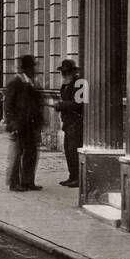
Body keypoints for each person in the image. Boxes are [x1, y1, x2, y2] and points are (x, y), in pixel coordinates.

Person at [4, 54, 45, 192]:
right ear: (25, 69)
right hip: (19, 125)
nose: (34, 70)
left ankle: (28, 182)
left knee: (31, 153)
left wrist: (40, 121)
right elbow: (8, 106)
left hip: (31, 125)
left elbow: (37, 104)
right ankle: (14, 183)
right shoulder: (16, 83)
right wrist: (12, 124)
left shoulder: (33, 83)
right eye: (32, 67)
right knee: (17, 154)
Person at [54, 59, 84, 188]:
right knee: (68, 150)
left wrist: (61, 105)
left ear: (73, 71)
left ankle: (78, 178)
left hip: (77, 122)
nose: (64, 74)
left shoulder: (80, 83)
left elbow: (78, 103)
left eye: (66, 72)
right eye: (62, 72)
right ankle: (72, 176)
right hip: (68, 122)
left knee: (74, 149)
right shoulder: (65, 84)